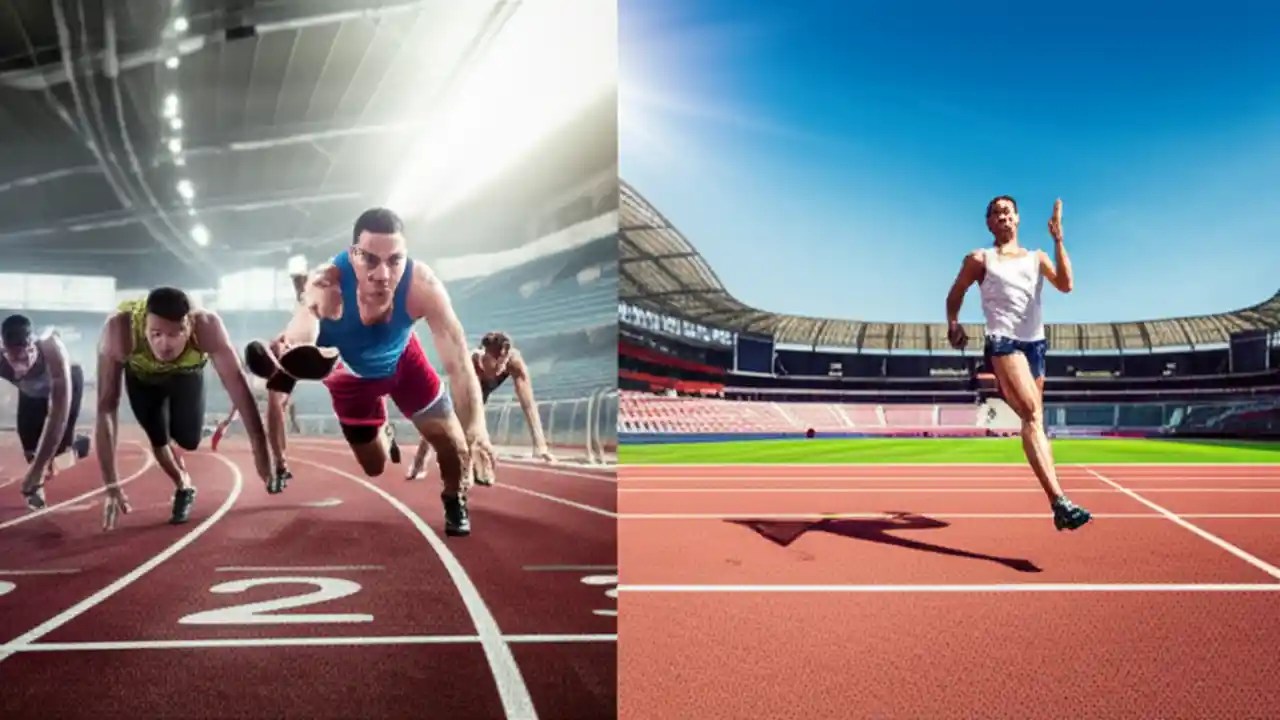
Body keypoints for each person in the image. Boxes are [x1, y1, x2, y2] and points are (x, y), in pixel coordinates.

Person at [259, 207, 493, 537]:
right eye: (370, 260)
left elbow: (457, 362)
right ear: (352, 256)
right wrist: (295, 346)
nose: (383, 274)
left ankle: (455, 499)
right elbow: (303, 327)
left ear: (405, 258)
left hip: (404, 364)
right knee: (374, 467)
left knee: (455, 446)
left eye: (394, 260)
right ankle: (383, 430)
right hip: (352, 380)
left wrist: (478, 428)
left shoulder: (422, 285)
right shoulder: (326, 284)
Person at [944, 195, 1091, 531]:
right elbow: (955, 293)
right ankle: (1060, 501)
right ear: (989, 223)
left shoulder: (1037, 256)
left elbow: (1066, 285)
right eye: (996, 213)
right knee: (1032, 413)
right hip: (1002, 340)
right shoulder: (980, 258)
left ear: (1017, 218)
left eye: (1007, 211)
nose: (1002, 217)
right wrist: (953, 323)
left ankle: (1058, 504)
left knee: (1035, 422)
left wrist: (1058, 241)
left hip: (1035, 344)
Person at [96, 287, 273, 529]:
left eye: (174, 334)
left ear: (189, 326)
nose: (164, 345)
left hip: (186, 375)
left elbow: (238, 386)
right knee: (158, 439)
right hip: (143, 380)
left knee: (190, 440)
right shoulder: (120, 330)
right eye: (155, 334)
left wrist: (260, 450)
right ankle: (183, 483)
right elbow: (106, 407)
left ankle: (181, 447)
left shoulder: (207, 327)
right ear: (144, 326)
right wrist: (111, 484)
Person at [406, 331, 554, 481]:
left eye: (502, 361)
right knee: (442, 420)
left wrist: (540, 447)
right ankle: (419, 461)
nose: (499, 368)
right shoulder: (471, 363)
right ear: (484, 354)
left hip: (484, 388)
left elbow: (528, 405)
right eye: (494, 361)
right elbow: (472, 415)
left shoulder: (514, 363)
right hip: (466, 386)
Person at [1, 315, 91, 510]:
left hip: (67, 383)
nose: (21, 366)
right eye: (14, 359)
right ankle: (38, 483)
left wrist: (37, 469)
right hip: (30, 391)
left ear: (33, 345)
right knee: (31, 452)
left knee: (55, 455)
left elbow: (57, 414)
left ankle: (77, 446)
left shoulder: (52, 350)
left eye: (25, 357)